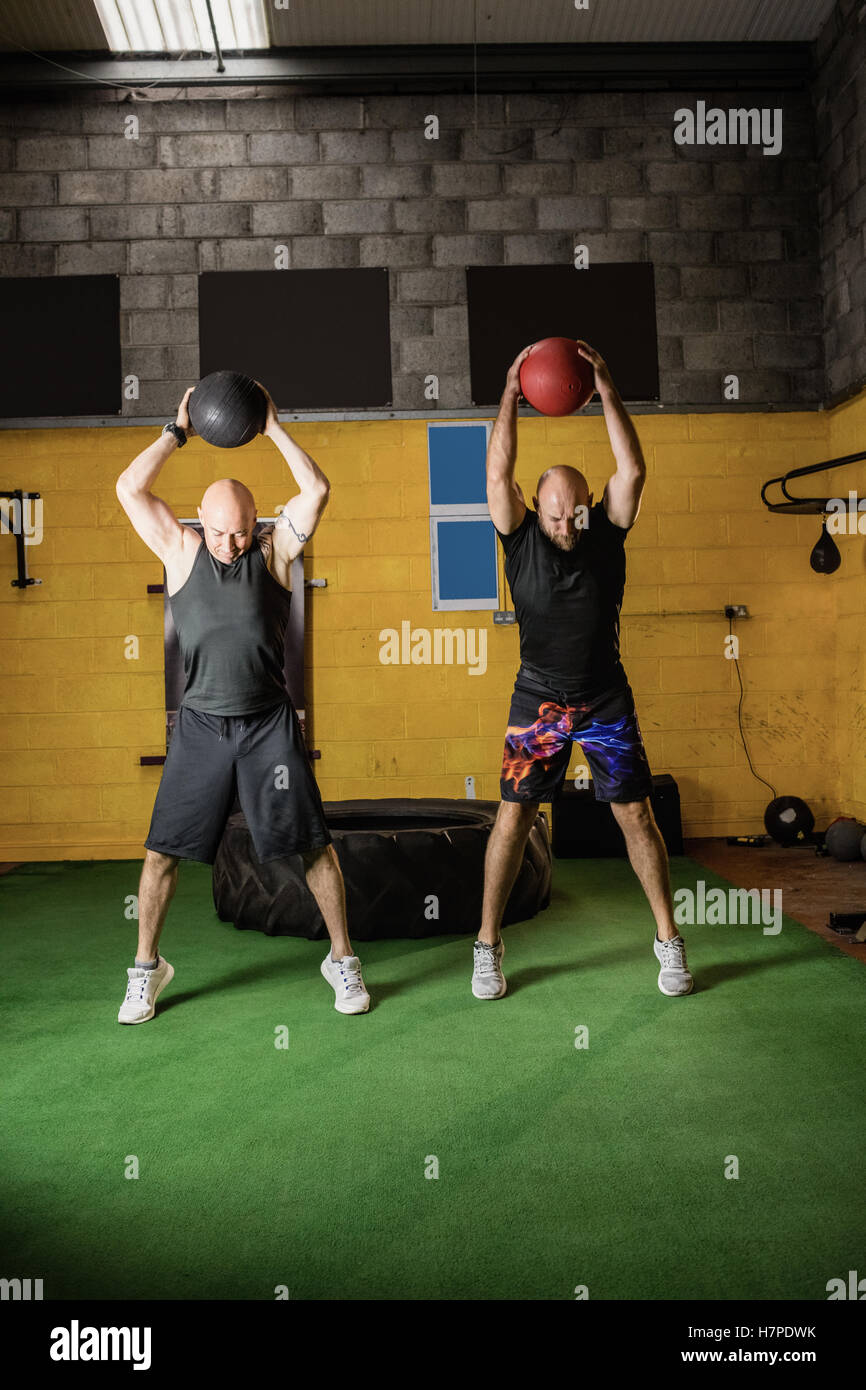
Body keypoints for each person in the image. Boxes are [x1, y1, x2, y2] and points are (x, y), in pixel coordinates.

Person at [114, 383, 370, 1022]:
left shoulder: (274, 551)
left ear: (257, 522)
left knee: (312, 844)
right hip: (201, 726)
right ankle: (147, 968)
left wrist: (275, 427)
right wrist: (175, 433)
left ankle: (342, 959)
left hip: (267, 727)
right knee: (162, 852)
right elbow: (128, 489)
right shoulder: (180, 551)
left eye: (240, 530)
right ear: (203, 523)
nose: (229, 544)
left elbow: (316, 493)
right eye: (219, 531)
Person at [474, 340, 694, 1002]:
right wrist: (510, 397)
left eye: (574, 510)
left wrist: (605, 386)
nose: (565, 522)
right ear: (534, 509)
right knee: (513, 817)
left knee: (636, 816)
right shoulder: (519, 538)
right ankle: (486, 945)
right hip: (540, 702)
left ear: (587, 505)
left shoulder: (607, 535)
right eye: (553, 512)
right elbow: (496, 474)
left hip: (605, 702)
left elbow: (633, 467)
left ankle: (669, 942)